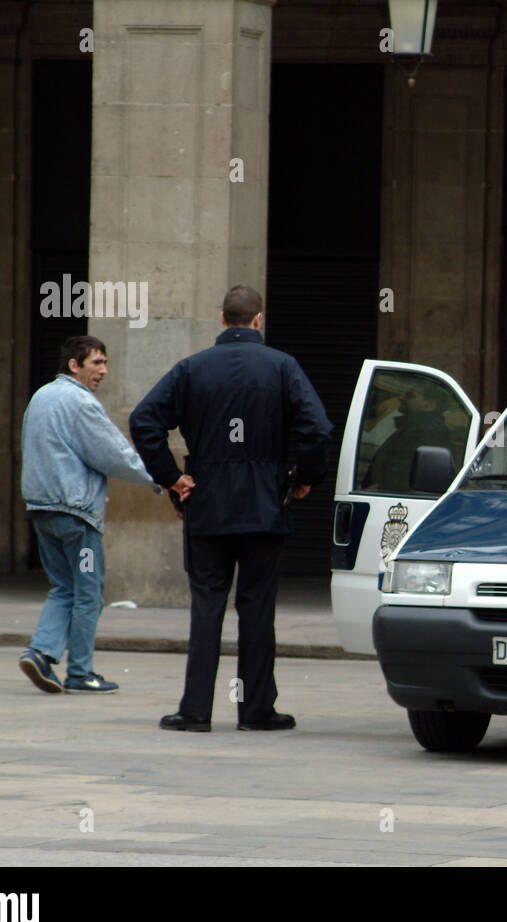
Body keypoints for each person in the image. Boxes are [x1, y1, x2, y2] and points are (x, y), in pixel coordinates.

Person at [129, 285, 332, 732]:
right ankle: (256, 709)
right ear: (258, 319)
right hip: (264, 505)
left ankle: (195, 710)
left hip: (207, 504)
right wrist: (302, 480)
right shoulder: (283, 367)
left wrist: (171, 477)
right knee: (258, 609)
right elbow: (318, 429)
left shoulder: (192, 369)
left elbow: (144, 420)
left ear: (222, 319)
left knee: (207, 607)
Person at [19, 335, 164, 694]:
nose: (104, 370)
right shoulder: (80, 402)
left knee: (63, 587)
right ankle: (81, 673)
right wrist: (161, 480)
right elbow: (112, 453)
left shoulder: (40, 397)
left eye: (105, 362)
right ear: (74, 365)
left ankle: (40, 652)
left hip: (42, 510)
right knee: (88, 593)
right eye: (96, 362)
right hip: (76, 516)